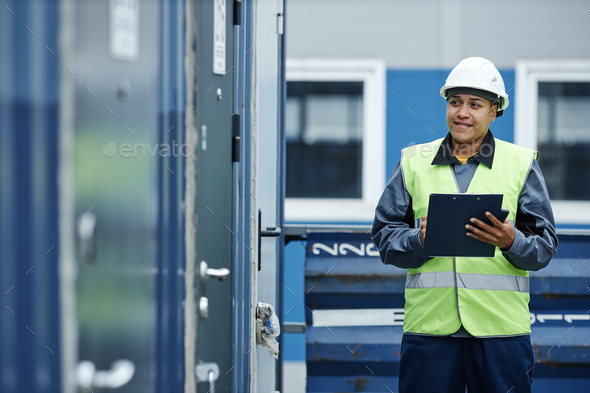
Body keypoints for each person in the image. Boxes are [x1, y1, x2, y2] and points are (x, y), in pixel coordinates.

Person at [371, 57, 558, 393]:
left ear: (494, 110)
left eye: (475, 104)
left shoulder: (520, 164)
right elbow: (385, 238)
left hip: (501, 331)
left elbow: (543, 248)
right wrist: (419, 240)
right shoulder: (413, 162)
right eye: (455, 102)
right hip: (429, 331)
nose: (462, 113)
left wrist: (510, 241)